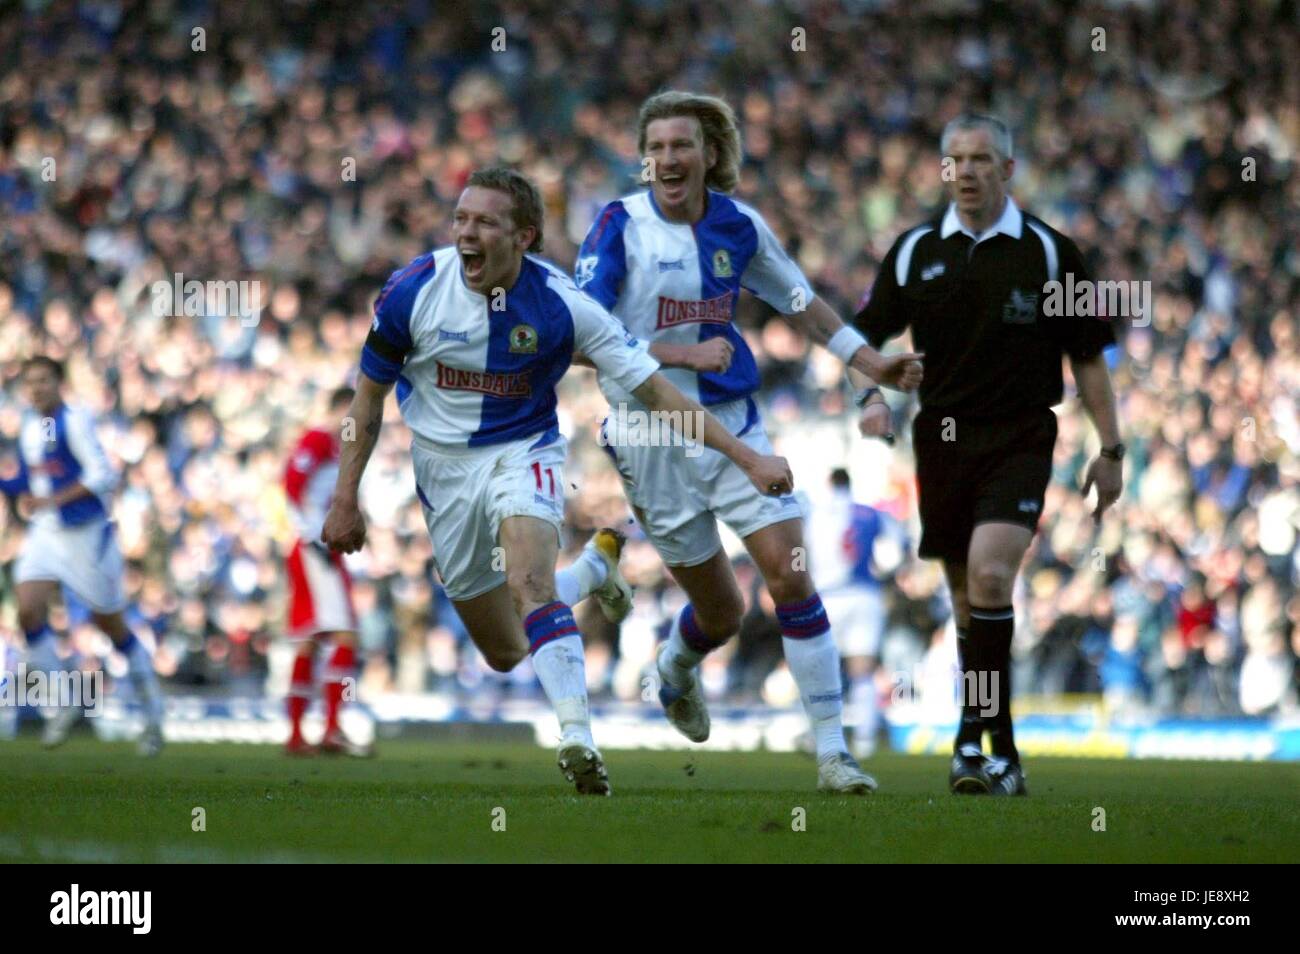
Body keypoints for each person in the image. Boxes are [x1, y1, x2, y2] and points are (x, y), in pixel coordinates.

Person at [320, 167, 795, 795]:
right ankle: (595, 574)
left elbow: (655, 390)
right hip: (442, 466)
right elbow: (367, 402)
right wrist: (344, 496)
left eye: (485, 222)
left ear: (524, 237)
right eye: (461, 219)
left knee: (530, 583)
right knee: (505, 650)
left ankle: (577, 737)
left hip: (525, 449)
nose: (467, 233)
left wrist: (747, 457)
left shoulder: (567, 305)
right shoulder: (414, 291)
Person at [575, 90, 922, 794]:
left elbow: (802, 303)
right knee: (722, 614)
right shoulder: (618, 227)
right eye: (657, 148)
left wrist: (868, 362)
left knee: (790, 573)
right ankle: (674, 669)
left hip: (734, 419)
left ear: (709, 155)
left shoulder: (739, 227)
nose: (668, 158)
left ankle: (834, 755)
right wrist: (676, 356)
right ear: (646, 161)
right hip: (650, 436)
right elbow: (580, 338)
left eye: (682, 145)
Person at [854, 114, 1123, 795]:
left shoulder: (1052, 254)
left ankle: (991, 747)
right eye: (954, 160)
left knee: (991, 578)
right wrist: (873, 396)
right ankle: (981, 744)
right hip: (941, 439)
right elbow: (863, 339)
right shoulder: (914, 252)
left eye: (980, 160)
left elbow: (1089, 357)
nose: (966, 172)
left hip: (1019, 436)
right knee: (968, 605)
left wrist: (1111, 448)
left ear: (1007, 169)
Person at [3, 356, 165, 756]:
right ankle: (62, 700)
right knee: (27, 611)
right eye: (31, 382)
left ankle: (153, 715)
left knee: (110, 626)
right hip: (46, 532)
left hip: (86, 535)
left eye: (44, 380)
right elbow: (30, 479)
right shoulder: (28, 426)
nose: (37, 388)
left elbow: (101, 474)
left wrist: (53, 498)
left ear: (60, 383)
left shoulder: (74, 421)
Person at [282, 385, 374, 757]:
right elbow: (290, 487)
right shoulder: (319, 439)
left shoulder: (339, 448)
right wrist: (310, 538)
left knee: (311, 638)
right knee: (345, 636)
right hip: (314, 549)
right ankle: (331, 728)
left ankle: (297, 734)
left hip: (319, 549)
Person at [805, 468, 907, 759]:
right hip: (865, 594)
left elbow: (800, 552)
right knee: (862, 670)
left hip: (827, 596)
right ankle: (865, 740)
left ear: (828, 483)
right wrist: (881, 572)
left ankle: (822, 736)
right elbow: (895, 550)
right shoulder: (869, 513)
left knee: (821, 668)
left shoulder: (815, 514)